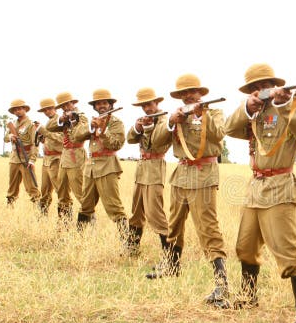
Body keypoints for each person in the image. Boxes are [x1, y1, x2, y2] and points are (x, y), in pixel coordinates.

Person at [225, 64, 296, 323]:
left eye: (263, 85)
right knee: (245, 245)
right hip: (256, 187)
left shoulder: (289, 107)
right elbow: (228, 128)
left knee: (288, 253)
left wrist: (287, 103)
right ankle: (248, 297)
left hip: (279, 187)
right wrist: (247, 107)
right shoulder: (254, 115)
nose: (259, 91)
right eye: (254, 88)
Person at [152, 74, 230, 310]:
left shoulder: (213, 113)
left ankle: (221, 283)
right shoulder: (174, 115)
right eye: (184, 93)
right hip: (181, 174)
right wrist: (170, 123)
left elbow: (219, 135)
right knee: (174, 224)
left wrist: (199, 114)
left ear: (201, 93)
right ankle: (171, 266)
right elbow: (157, 142)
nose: (188, 95)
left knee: (208, 228)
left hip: (204, 174)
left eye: (192, 91)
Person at [73, 89, 130, 250]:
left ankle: (128, 243)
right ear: (95, 106)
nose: (101, 106)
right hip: (90, 167)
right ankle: (79, 240)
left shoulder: (116, 123)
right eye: (98, 103)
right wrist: (91, 127)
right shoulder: (91, 121)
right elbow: (76, 136)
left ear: (110, 104)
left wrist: (102, 130)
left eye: (104, 103)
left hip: (108, 166)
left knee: (114, 207)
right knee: (85, 205)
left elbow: (116, 144)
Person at [127, 87, 171, 257]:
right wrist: (137, 127)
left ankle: (169, 256)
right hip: (141, 169)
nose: (146, 108)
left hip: (154, 168)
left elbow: (158, 143)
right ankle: (132, 248)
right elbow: (130, 139)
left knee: (155, 213)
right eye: (143, 105)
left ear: (157, 102)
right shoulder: (145, 119)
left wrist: (147, 128)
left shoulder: (163, 120)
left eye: (149, 104)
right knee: (136, 211)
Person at [46, 92, 88, 223]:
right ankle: (64, 222)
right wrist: (62, 120)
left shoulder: (81, 116)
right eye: (62, 106)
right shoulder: (62, 117)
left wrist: (74, 121)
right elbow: (49, 127)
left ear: (73, 103)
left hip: (76, 156)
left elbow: (83, 132)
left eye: (67, 104)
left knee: (79, 191)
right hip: (64, 157)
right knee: (62, 191)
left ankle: (88, 221)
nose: (65, 108)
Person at [4, 99, 41, 206]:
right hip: (14, 158)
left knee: (31, 186)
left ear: (25, 109)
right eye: (15, 110)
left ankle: (38, 210)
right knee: (12, 186)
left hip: (26, 158)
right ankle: (9, 206)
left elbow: (35, 143)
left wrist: (32, 160)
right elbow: (5, 138)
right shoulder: (13, 124)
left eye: (20, 109)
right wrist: (10, 136)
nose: (18, 111)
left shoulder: (31, 124)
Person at [35, 98, 66, 217]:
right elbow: (51, 139)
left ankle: (63, 219)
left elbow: (62, 139)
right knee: (45, 191)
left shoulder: (61, 121)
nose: (47, 111)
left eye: (49, 109)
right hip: (46, 159)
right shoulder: (49, 123)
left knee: (61, 191)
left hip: (57, 159)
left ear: (55, 109)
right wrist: (43, 139)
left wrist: (45, 132)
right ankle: (42, 217)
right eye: (45, 110)